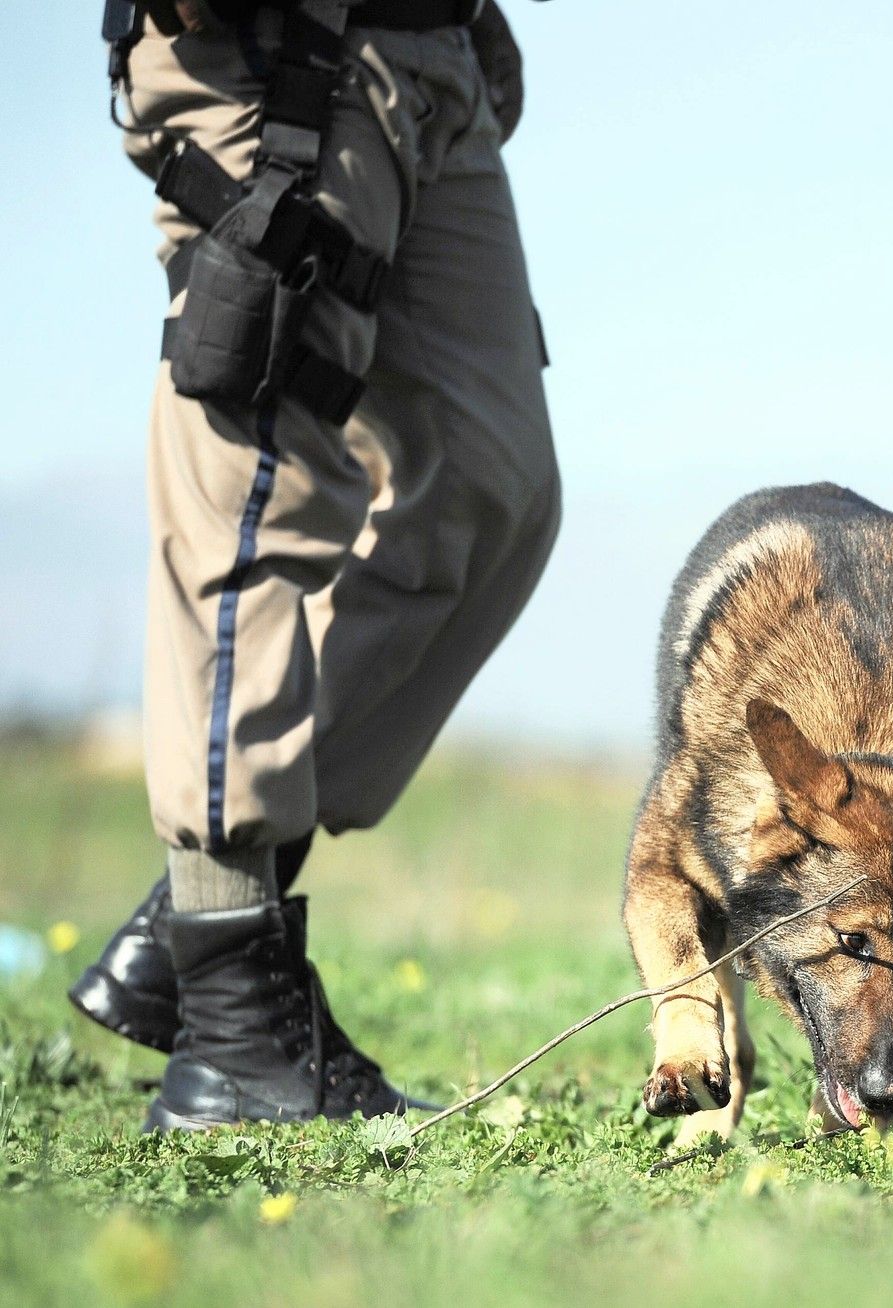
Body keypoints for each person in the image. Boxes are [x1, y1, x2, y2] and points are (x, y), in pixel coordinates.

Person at [69, 0, 559, 1131]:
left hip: (428, 50)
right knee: (256, 483)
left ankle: (189, 932)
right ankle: (235, 1024)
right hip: (274, 41)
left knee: (492, 481)